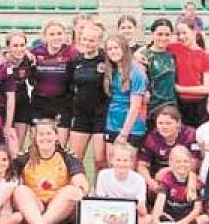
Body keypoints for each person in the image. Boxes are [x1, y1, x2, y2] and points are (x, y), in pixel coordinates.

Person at [7, 120, 88, 224]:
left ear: (56, 136)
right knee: (20, 190)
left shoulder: (67, 156)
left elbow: (81, 181)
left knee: (72, 191)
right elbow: (8, 179)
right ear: (35, 138)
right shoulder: (24, 158)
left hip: (60, 209)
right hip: (35, 207)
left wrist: (79, 187)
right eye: (41, 134)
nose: (45, 137)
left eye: (49, 134)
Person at [66, 24, 110, 170]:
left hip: (101, 115)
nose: (87, 43)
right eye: (84, 39)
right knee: (75, 159)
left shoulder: (107, 59)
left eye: (91, 40)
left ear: (99, 42)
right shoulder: (75, 61)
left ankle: (99, 192)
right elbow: (69, 86)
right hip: (80, 115)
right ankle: (80, 190)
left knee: (100, 160)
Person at [29, 19, 77, 143]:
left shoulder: (71, 52)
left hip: (62, 103)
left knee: (58, 146)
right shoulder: (36, 51)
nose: (56, 37)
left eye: (59, 34)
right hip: (39, 103)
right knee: (38, 145)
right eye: (52, 34)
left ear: (65, 35)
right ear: (44, 36)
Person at [149, 146, 206, 224]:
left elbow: (197, 209)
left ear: (190, 162)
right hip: (170, 219)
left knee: (204, 219)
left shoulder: (195, 182)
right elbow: (160, 201)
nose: (182, 164)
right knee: (156, 218)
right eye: (178, 161)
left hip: (187, 220)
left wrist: (183, 223)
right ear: (170, 163)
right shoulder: (167, 179)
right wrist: (156, 219)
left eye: (185, 161)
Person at [94, 143, 153, 224]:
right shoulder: (103, 175)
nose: (121, 164)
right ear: (112, 161)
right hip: (108, 214)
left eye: (125, 160)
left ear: (131, 162)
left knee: (148, 219)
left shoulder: (139, 180)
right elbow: (100, 202)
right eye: (118, 160)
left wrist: (141, 209)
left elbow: (143, 210)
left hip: (128, 216)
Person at [136, 105, 200, 188]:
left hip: (186, 174)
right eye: (160, 123)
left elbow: (195, 163)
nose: (164, 127)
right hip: (159, 177)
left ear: (178, 123)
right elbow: (142, 165)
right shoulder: (151, 138)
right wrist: (151, 183)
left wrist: (169, 171)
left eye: (168, 123)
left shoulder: (191, 134)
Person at [104, 35, 148, 148]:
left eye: (116, 47)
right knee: (112, 163)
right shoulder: (111, 70)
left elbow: (135, 106)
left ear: (124, 48)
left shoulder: (136, 71)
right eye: (110, 49)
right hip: (112, 123)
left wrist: (124, 134)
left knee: (126, 164)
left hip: (132, 127)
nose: (113, 51)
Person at [169, 18, 209, 127]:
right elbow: (153, 46)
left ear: (194, 31)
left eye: (184, 33)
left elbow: (207, 88)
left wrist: (181, 89)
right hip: (179, 103)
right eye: (179, 34)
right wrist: (137, 54)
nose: (181, 37)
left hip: (199, 105)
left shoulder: (205, 56)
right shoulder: (175, 48)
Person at [139, 18, 178, 119]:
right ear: (152, 34)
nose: (163, 38)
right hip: (152, 108)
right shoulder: (144, 56)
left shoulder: (173, 54)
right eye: (160, 34)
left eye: (167, 34)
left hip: (171, 106)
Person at [5, 31, 35, 147]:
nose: (19, 49)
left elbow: (33, 81)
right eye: (15, 46)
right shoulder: (2, 62)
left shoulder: (29, 60)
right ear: (8, 47)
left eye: (22, 45)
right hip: (4, 105)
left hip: (22, 104)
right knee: (3, 146)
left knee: (17, 147)